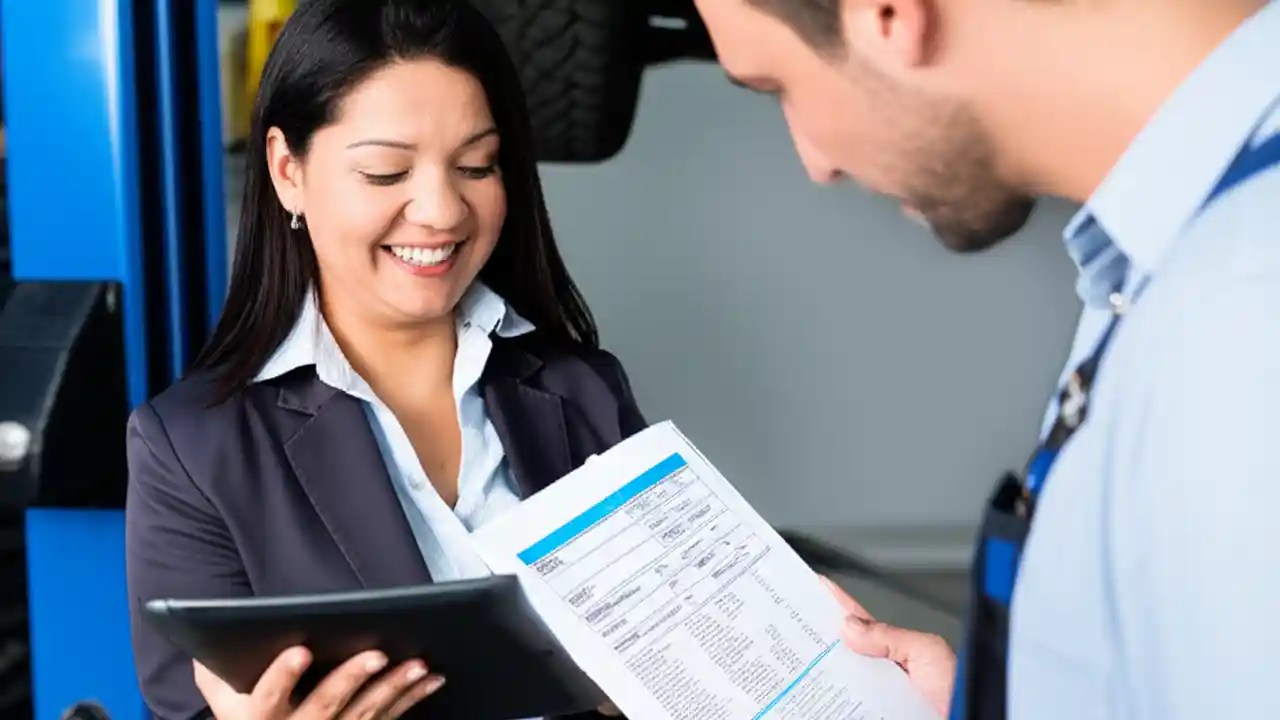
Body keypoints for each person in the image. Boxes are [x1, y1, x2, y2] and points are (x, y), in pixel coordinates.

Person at [691, 0, 1280, 718]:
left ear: (887, 15)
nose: (816, 162)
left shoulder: (1243, 311)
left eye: (778, 84)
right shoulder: (1178, 260)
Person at [124, 1, 641, 718]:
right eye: (384, 172)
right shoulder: (192, 449)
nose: (441, 209)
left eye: (476, 165)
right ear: (287, 170)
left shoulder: (584, 390)